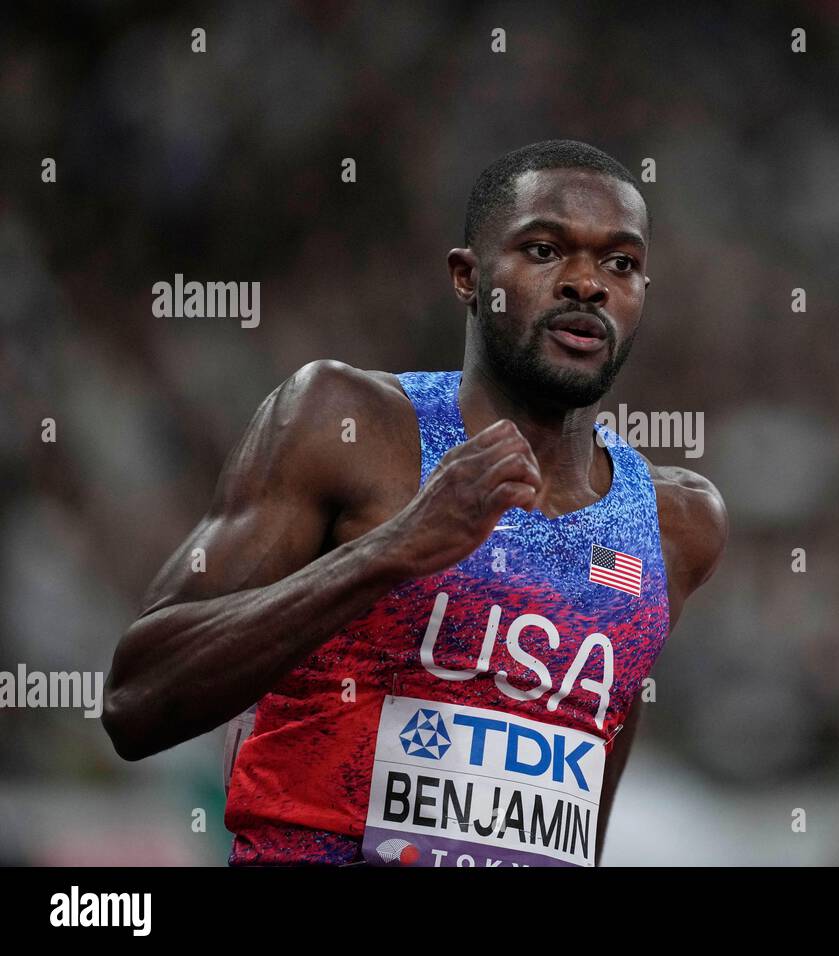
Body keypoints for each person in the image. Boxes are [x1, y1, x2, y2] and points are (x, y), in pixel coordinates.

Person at [103, 139, 728, 867]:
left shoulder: (677, 524)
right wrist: (392, 549)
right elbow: (135, 701)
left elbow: (593, 766)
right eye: (544, 250)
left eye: (620, 263)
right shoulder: (346, 423)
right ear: (467, 277)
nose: (587, 283)